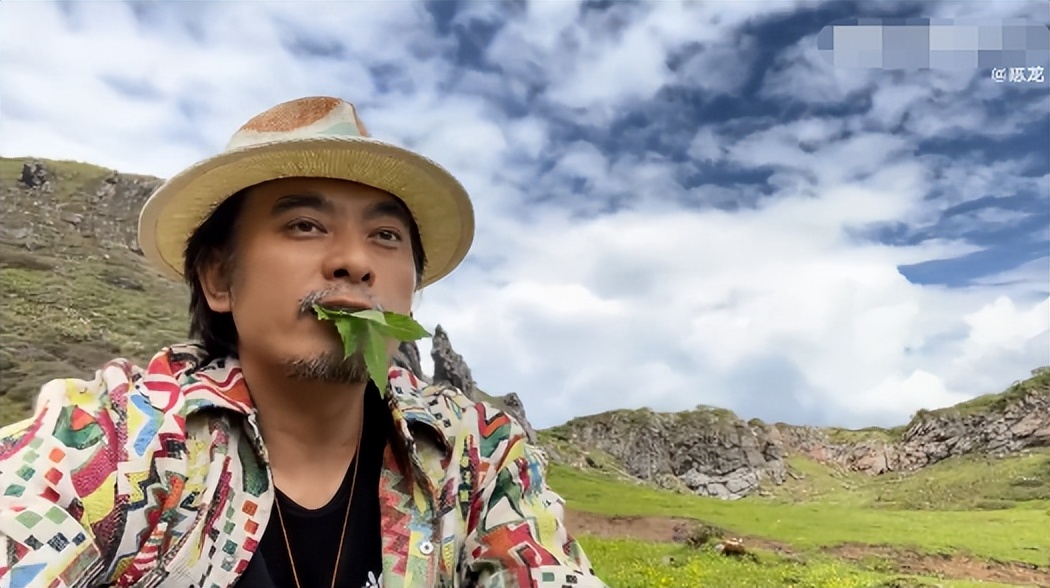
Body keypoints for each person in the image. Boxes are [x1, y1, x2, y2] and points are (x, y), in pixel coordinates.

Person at [0, 97, 607, 588]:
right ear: (218, 278)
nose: (354, 261)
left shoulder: (474, 456)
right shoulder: (122, 442)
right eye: (305, 225)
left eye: (386, 235)